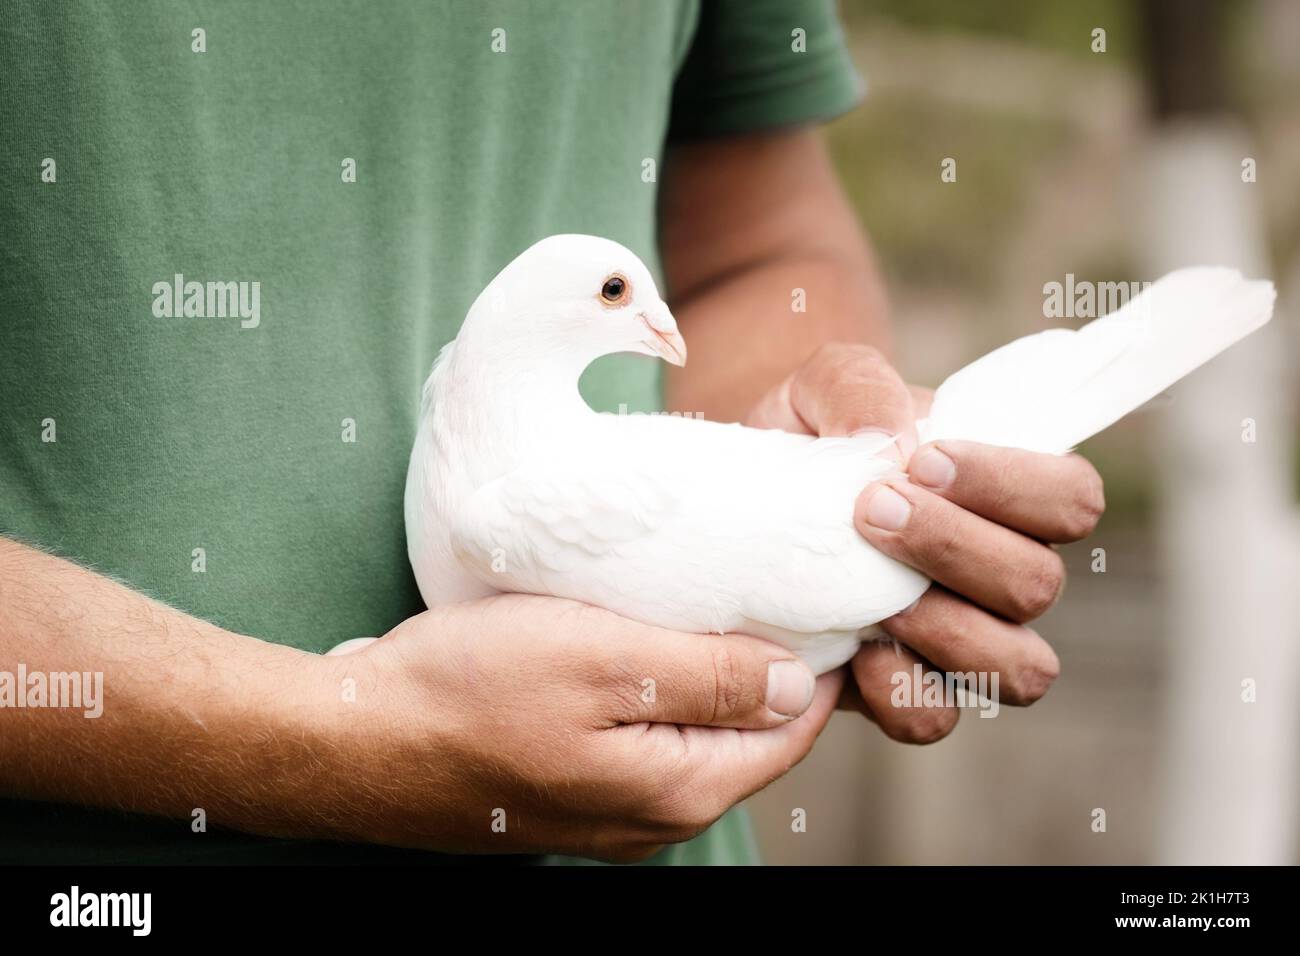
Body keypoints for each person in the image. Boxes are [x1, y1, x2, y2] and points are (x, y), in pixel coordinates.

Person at [0, 0, 1101, 864]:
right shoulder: (489, 498)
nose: (646, 313)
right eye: (622, 295)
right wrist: (326, 735)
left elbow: (759, 247)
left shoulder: (506, 464)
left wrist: (845, 487)